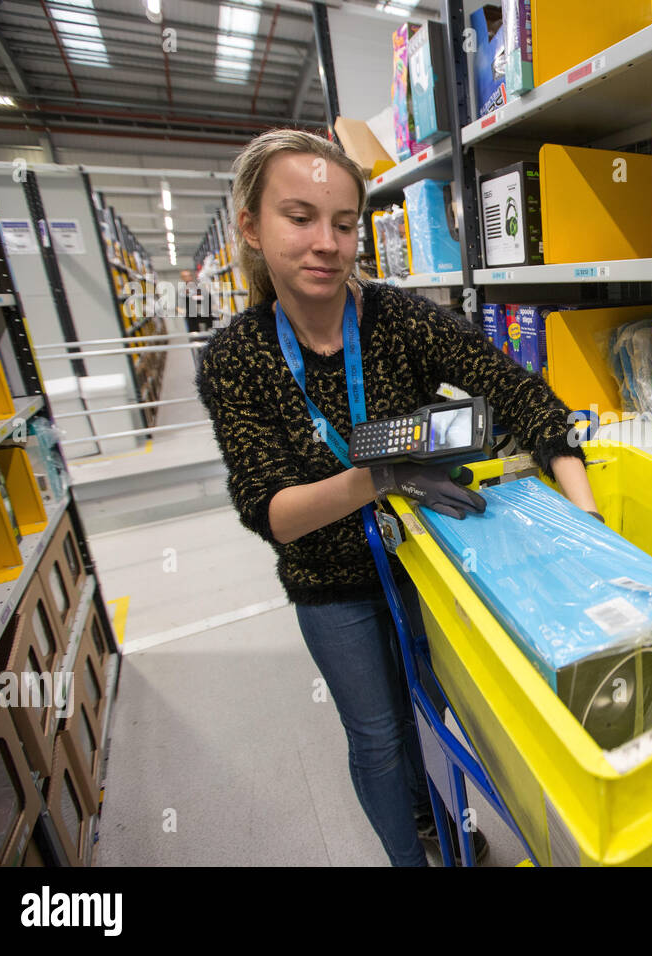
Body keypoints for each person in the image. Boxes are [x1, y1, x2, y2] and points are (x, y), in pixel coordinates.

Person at [196, 129, 599, 867]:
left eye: (344, 224)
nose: (327, 243)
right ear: (251, 227)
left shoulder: (398, 319)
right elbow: (275, 512)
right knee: (378, 736)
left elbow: (517, 391)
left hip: (424, 562)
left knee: (439, 712)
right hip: (329, 583)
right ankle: (411, 852)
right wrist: (382, 475)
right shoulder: (236, 357)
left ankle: (447, 820)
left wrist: (589, 516)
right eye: (299, 217)